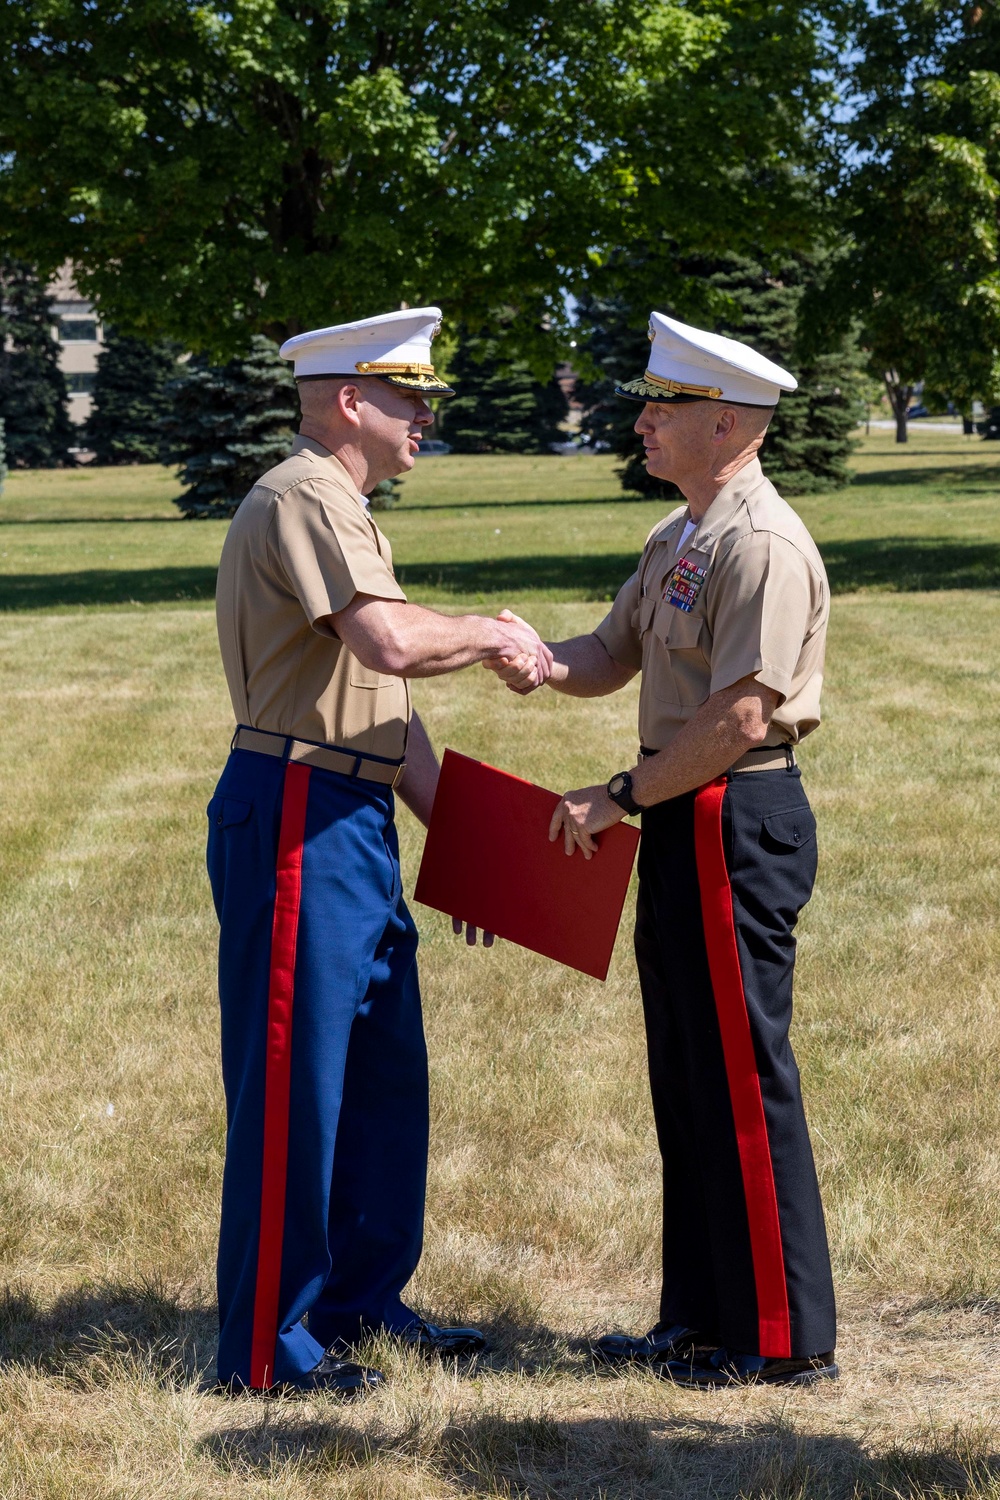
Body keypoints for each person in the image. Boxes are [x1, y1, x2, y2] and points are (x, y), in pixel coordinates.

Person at [487, 313, 837, 1387]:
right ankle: (697, 1319)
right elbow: (609, 652)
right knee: (686, 1076)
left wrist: (619, 794)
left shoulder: (763, 544)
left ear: (726, 421)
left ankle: (780, 1342)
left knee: (740, 1076)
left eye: (663, 407)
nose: (641, 421)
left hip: (734, 816)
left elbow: (738, 717)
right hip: (686, 816)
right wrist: (541, 664)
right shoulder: (677, 536)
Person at [208, 307, 552, 1396]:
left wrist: (462, 839)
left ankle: (360, 1304)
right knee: (298, 1088)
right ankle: (268, 1351)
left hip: (347, 811)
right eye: (410, 400)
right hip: (300, 809)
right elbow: (390, 641)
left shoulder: (343, 506)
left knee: (379, 1081)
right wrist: (497, 635)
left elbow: (383, 706)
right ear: (350, 400)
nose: (426, 419)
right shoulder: (306, 492)